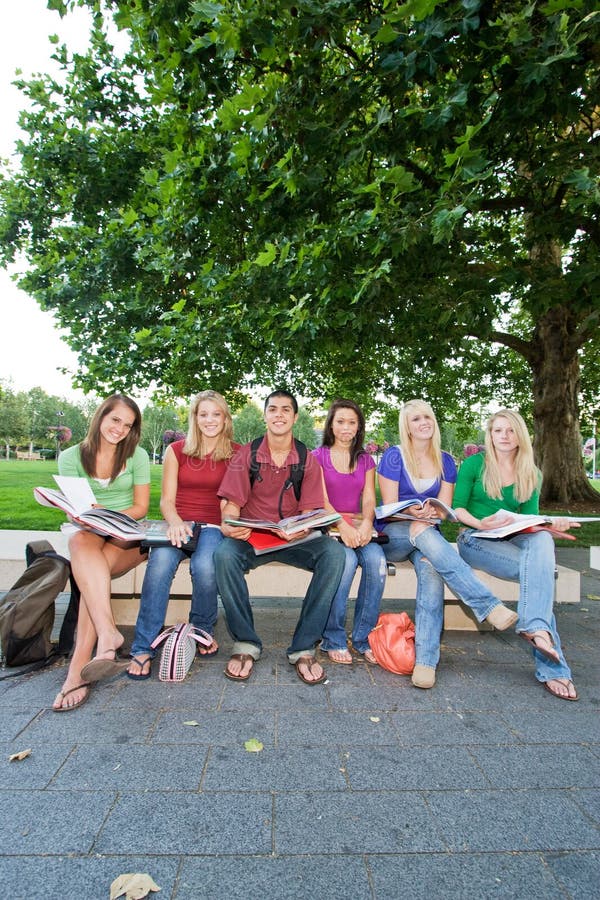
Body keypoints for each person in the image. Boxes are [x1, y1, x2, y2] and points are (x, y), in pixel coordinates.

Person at [377, 399, 518, 689]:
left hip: (428, 538)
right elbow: (388, 507)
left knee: (431, 570)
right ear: (407, 426)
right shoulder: (394, 456)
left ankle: (426, 662)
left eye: (427, 416)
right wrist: (412, 513)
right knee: (420, 528)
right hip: (395, 536)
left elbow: (446, 510)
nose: (423, 422)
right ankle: (486, 604)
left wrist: (434, 511)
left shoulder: (445, 460)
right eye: (416, 419)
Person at [214, 389, 346, 685]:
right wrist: (228, 523)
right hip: (252, 537)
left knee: (335, 554)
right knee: (223, 554)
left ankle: (303, 647)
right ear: (265, 415)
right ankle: (246, 643)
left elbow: (311, 510)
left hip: (293, 540)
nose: (279, 415)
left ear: (295, 417)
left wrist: (304, 526)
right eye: (273, 409)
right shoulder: (246, 453)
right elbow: (231, 504)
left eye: (286, 410)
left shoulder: (306, 459)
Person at [454, 409, 578, 701]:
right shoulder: (474, 465)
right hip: (475, 539)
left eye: (510, 430)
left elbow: (530, 522)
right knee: (540, 574)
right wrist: (479, 523)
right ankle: (553, 668)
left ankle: (535, 628)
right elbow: (457, 509)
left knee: (543, 541)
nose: (504, 436)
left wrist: (550, 525)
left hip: (515, 539)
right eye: (498, 431)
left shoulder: (531, 472)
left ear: (520, 435)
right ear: (490, 435)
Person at [127, 390, 239, 680]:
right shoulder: (176, 450)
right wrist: (176, 522)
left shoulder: (237, 453)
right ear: (195, 417)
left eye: (216, 414)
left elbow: (235, 500)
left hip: (213, 526)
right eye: (203, 414)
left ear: (225, 418)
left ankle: (201, 630)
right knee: (160, 564)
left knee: (204, 566)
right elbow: (166, 500)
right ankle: (142, 646)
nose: (210, 420)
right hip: (177, 524)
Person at [52, 394, 150, 712]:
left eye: (128, 424)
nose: (120, 429)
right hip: (90, 533)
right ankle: (106, 639)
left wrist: (108, 512)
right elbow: (73, 509)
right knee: (81, 543)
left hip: (128, 537)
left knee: (91, 574)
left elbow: (141, 507)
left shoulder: (138, 456)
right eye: (115, 420)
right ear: (101, 417)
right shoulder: (70, 457)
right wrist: (87, 516)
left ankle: (77, 671)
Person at [313, 399, 386, 665]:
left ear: (359, 427)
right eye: (340, 421)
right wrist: (341, 526)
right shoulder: (317, 457)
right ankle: (332, 637)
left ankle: (363, 638)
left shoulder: (366, 460)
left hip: (359, 526)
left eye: (352, 422)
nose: (346, 427)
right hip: (329, 527)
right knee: (346, 562)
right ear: (331, 425)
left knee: (377, 562)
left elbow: (368, 498)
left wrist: (367, 523)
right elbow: (320, 501)